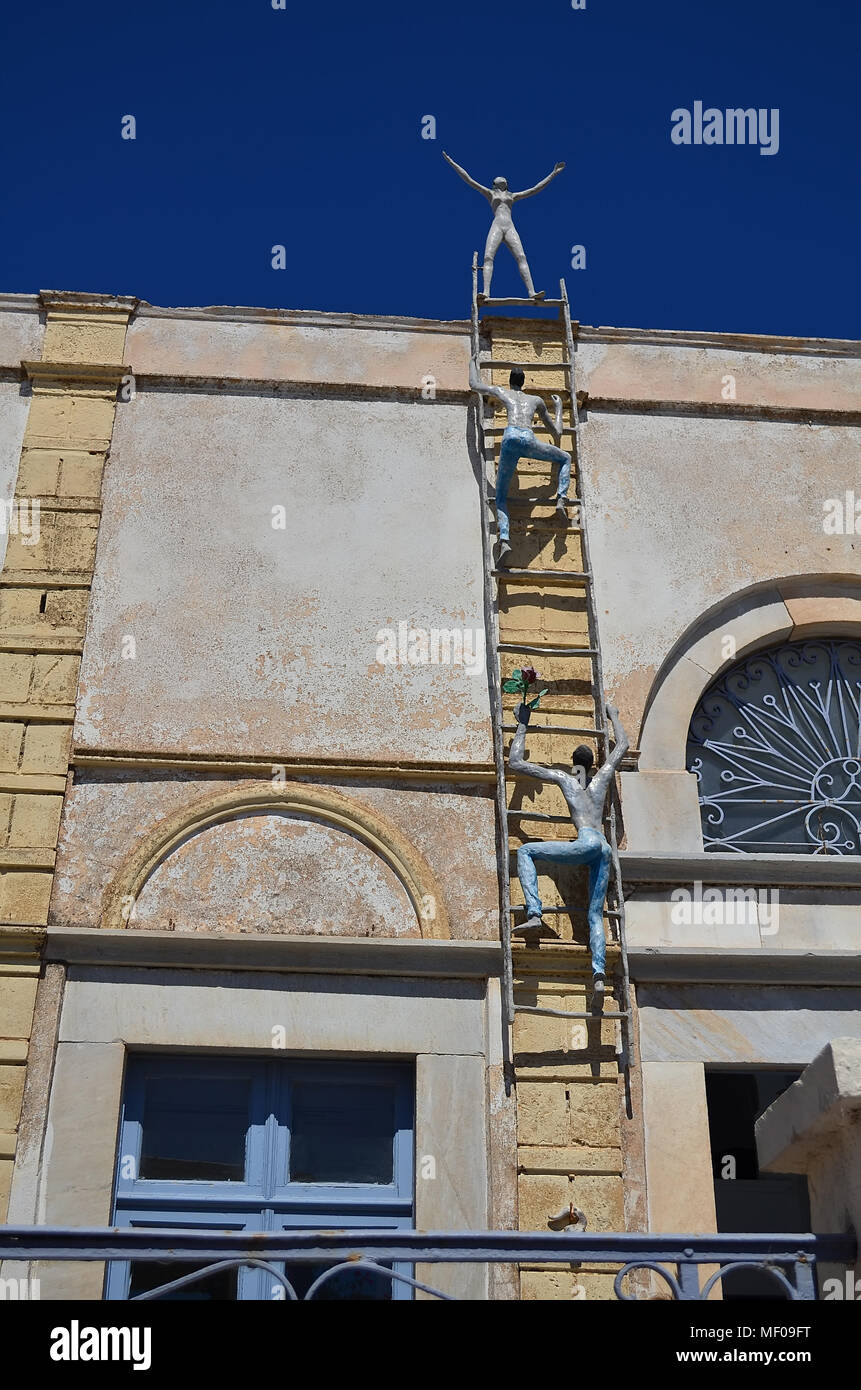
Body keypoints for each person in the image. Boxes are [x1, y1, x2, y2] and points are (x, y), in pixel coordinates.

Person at [508, 700, 630, 1004]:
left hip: (585, 841)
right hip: (603, 848)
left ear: (573, 764)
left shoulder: (566, 780)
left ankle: (535, 912)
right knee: (594, 914)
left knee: (526, 852)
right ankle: (598, 974)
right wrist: (613, 716)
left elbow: (515, 763)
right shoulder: (601, 779)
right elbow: (623, 746)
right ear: (590, 765)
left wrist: (522, 724)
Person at [469, 360, 571, 564]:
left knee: (500, 498)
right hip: (528, 438)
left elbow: (474, 384)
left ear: (510, 381)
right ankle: (561, 500)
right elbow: (557, 431)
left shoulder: (503, 392)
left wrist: (472, 362)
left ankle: (505, 540)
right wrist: (558, 407)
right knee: (565, 458)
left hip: (509, 438)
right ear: (523, 382)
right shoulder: (535, 400)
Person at [442, 151, 565, 300]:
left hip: (509, 226)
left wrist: (553, 174)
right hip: (497, 225)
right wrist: (451, 162)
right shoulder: (490, 194)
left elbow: (535, 188)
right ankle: (486, 291)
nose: (502, 179)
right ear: (494, 184)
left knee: (521, 256)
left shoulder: (512, 196)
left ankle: (532, 292)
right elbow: (468, 179)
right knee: (488, 257)